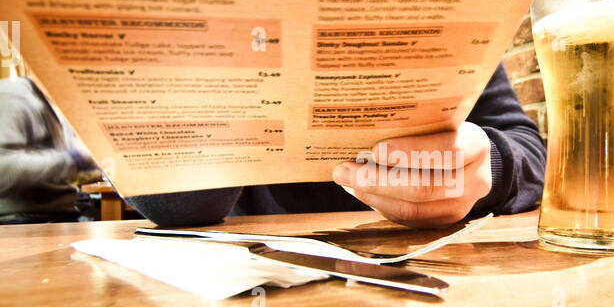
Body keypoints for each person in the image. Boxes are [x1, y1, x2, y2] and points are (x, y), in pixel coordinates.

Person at [128, 64, 545, 228]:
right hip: (253, 272)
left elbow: (530, 150)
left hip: (427, 262)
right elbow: (181, 210)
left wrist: (488, 165)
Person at [0, 76, 99, 223]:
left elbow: (66, 165)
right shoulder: (7, 97)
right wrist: (75, 158)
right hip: (21, 222)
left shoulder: (51, 105)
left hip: (61, 213)